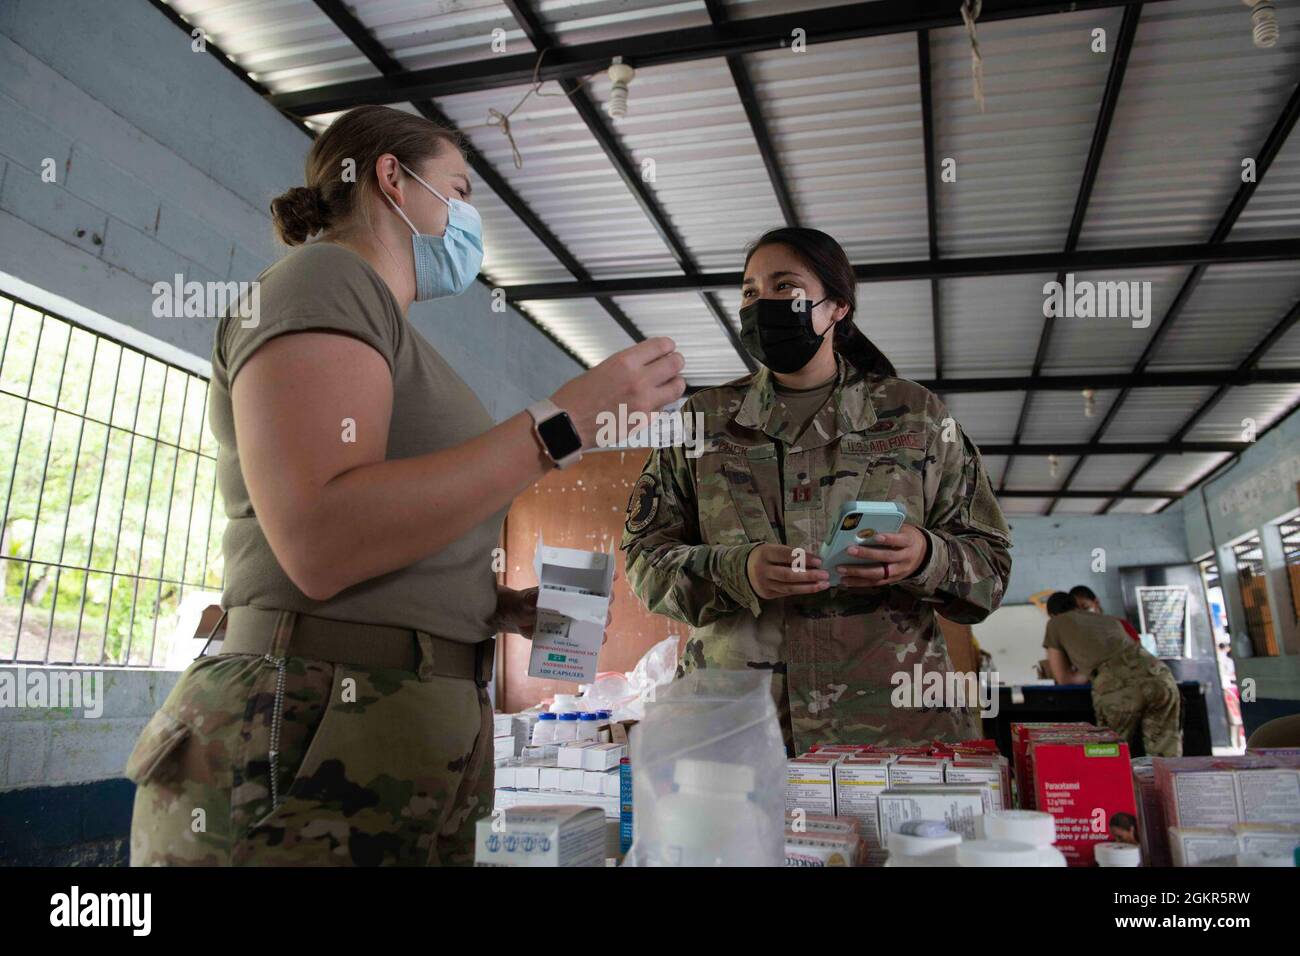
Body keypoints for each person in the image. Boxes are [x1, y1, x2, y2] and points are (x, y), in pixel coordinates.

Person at [126, 105, 685, 866]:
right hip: (307, 729)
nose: (469, 218)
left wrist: (486, 606)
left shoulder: (398, 336)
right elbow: (321, 539)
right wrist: (563, 424)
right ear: (392, 176)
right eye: (459, 189)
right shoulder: (323, 277)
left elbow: (386, 523)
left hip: (399, 727)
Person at [620, 227, 1012, 755]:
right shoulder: (702, 424)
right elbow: (646, 565)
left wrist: (925, 556)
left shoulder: (915, 415)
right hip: (737, 734)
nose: (763, 304)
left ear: (836, 308)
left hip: (890, 730)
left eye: (785, 286)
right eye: (751, 291)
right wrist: (739, 570)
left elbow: (992, 568)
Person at [1043, 591, 1182, 757]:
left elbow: (1063, 678)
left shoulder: (1055, 623)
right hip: (1160, 675)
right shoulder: (1110, 620)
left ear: (1051, 614)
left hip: (1117, 686)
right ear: (1076, 605)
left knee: (1111, 754)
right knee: (1165, 755)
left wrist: (1092, 673)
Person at [1069, 584, 1139, 642]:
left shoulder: (1121, 625)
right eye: (1078, 611)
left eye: (1085, 608)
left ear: (1096, 602)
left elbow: (1138, 651)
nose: (1083, 614)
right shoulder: (1078, 634)